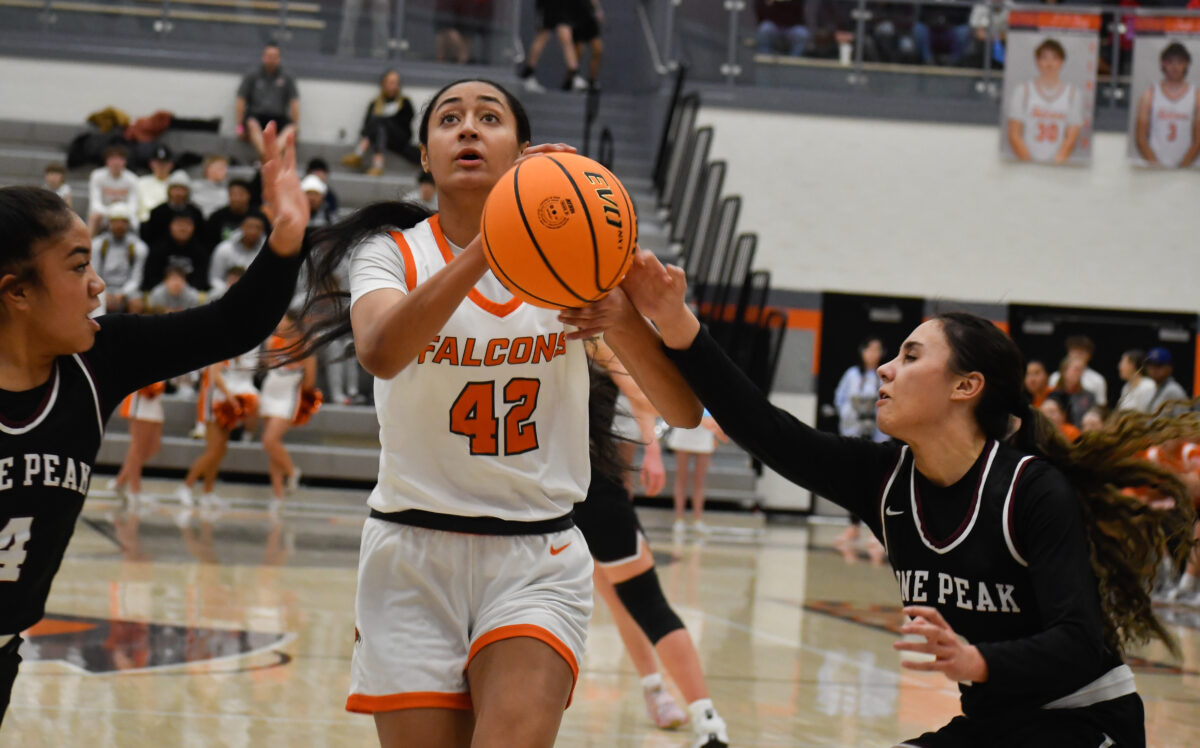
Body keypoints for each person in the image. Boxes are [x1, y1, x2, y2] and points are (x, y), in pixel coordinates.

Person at [570, 256, 1198, 747]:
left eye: (910, 356)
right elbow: (765, 428)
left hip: (1085, 723)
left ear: (966, 386)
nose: (885, 370)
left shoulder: (1031, 490)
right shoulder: (886, 480)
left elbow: (1080, 641)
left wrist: (977, 659)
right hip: (991, 724)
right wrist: (675, 319)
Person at [289, 78, 700, 747]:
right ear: (426, 156)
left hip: (536, 554)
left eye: (489, 117)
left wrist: (622, 317)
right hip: (411, 553)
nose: (469, 128)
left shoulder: (574, 262)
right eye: (450, 118)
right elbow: (381, 352)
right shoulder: (391, 253)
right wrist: (497, 239)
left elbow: (683, 409)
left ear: (522, 152)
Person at [0, 122, 307, 727]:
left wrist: (287, 237)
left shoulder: (100, 358)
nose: (99, 285)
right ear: (17, 293)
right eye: (78, 267)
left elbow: (231, 325)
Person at [574, 340, 730, 747]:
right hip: (560, 488)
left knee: (630, 598)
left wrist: (657, 445)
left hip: (582, 488)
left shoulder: (590, 332)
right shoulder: (545, 330)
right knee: (629, 598)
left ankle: (689, 708)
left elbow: (638, 388)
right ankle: (681, 704)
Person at [832, 337, 889, 557]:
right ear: (862, 351)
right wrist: (850, 415)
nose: (873, 354)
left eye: (877, 350)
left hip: (877, 437)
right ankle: (853, 526)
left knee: (876, 484)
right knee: (853, 482)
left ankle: (877, 531)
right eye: (870, 349)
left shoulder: (884, 375)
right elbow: (840, 399)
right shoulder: (852, 374)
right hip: (854, 434)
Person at [259, 311, 317, 513]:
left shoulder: (306, 346)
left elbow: (310, 381)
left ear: (293, 323)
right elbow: (267, 366)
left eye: (283, 319)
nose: (279, 322)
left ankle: (292, 472)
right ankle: (278, 496)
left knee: (269, 440)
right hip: (269, 393)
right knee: (272, 446)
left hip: (288, 397)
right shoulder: (272, 341)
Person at [1006, 39, 1084, 164]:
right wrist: (1030, 165)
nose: (1049, 63)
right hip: (1026, 164)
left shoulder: (1073, 94)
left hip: (1058, 166)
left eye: (1054, 58)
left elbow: (1071, 136)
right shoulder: (1023, 91)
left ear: (1062, 61)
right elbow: (1014, 134)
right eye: (1044, 58)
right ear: (1037, 61)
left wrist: (1055, 165)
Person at [341, 70, 422, 176]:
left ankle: (359, 153)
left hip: (399, 139)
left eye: (396, 83)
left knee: (380, 120)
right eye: (391, 82)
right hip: (381, 139)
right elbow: (367, 125)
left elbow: (406, 122)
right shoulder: (375, 103)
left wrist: (386, 121)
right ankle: (377, 166)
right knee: (380, 128)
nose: (394, 86)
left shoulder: (405, 102)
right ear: (384, 84)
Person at [1135, 42, 1200, 168]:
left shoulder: (1196, 96)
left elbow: (1198, 140)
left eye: (1179, 62)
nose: (1175, 67)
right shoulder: (1149, 95)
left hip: (1187, 169)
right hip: (1154, 168)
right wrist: (1157, 167)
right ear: (1163, 64)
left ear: (1186, 64)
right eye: (1170, 62)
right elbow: (1140, 138)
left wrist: (1182, 168)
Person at [667, 410, 727, 537]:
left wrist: (715, 428)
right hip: (684, 426)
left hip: (705, 432)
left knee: (700, 480)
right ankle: (679, 519)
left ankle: (698, 519)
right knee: (681, 477)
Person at [236, 42, 300, 161]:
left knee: (291, 128)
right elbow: (241, 100)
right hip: (256, 117)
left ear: (279, 59)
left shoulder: (287, 77)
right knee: (251, 123)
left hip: (278, 118)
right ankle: (269, 156)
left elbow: (294, 103)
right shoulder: (252, 75)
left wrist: (296, 130)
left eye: (274, 57)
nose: (271, 60)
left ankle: (267, 157)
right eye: (269, 56)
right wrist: (239, 128)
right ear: (263, 57)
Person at [111, 380, 166, 507]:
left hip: (156, 400)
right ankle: (134, 491)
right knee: (138, 449)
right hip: (141, 401)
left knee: (154, 447)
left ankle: (120, 481)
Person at [518, 0, 586, 93]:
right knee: (544, 36)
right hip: (550, 5)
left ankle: (574, 74)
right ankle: (528, 73)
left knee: (564, 36)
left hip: (561, 6)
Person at [91, 203, 148, 314]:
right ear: (109, 223)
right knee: (93, 302)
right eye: (115, 221)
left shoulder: (138, 247)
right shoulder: (98, 244)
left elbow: (136, 279)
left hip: (127, 290)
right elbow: (95, 274)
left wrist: (122, 294)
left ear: (128, 224)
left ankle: (131, 326)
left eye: (123, 221)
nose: (119, 225)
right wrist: (104, 293)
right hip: (103, 288)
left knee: (137, 304)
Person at [142, 210, 210, 292]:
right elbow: (151, 277)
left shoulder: (200, 252)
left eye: (187, 224)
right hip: (161, 292)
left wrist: (183, 288)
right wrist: (168, 287)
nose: (182, 228)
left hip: (191, 294)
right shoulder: (158, 249)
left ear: (194, 227)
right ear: (170, 226)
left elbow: (202, 279)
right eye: (179, 224)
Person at [208, 211, 268, 294]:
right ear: (242, 227)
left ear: (262, 230)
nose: (253, 231)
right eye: (250, 226)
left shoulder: (267, 252)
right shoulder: (224, 249)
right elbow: (214, 279)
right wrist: (230, 290)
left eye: (258, 228)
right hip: (226, 293)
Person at [141, 171, 205, 249]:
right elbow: (151, 238)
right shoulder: (157, 212)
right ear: (169, 190)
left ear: (188, 192)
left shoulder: (195, 212)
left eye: (182, 189)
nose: (179, 193)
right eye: (175, 189)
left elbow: (200, 238)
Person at [87, 145, 140, 235]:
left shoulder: (132, 179)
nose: (116, 163)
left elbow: (133, 206)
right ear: (106, 161)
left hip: (124, 214)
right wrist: (111, 212)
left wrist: (119, 213)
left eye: (119, 159)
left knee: (136, 221)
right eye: (112, 159)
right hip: (104, 214)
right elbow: (95, 204)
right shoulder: (97, 176)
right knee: (94, 216)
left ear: (125, 162)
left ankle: (135, 243)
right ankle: (89, 241)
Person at [1047, 336, 1108, 407]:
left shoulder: (1097, 379)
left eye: (1083, 350)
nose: (1078, 353)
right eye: (1075, 349)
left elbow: (1101, 406)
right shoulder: (1055, 377)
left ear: (1090, 355)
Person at [1051, 356, 1096, 428]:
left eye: (1081, 370)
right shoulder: (1054, 395)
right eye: (1076, 370)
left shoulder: (1089, 396)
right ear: (1064, 371)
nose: (1079, 373)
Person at [208, 178, 255, 245]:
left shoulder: (257, 216)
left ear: (249, 195)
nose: (236, 198)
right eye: (233, 194)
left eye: (241, 194)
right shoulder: (216, 217)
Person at [135, 144, 174, 224]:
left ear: (171, 164)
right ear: (151, 164)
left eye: (165, 163)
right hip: (145, 223)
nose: (161, 166)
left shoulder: (176, 184)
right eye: (158, 163)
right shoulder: (141, 183)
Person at [571, 0, 604, 90]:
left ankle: (592, 81)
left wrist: (597, 9)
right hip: (576, 15)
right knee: (579, 50)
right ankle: (571, 79)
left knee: (598, 50)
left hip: (589, 16)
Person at [1145, 347, 1189, 414]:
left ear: (1169, 368)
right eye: (1150, 364)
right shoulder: (1152, 387)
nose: (1153, 369)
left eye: (1158, 365)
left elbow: (1183, 419)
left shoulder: (1174, 390)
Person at [1116, 349, 1156, 414]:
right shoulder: (1126, 387)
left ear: (1132, 365)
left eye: (1122, 362)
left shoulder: (1148, 386)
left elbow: (1144, 414)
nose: (1119, 366)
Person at [191, 155, 230, 219]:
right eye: (221, 168)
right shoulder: (193, 187)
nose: (225, 171)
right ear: (208, 169)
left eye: (225, 168)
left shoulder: (226, 192)